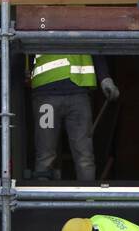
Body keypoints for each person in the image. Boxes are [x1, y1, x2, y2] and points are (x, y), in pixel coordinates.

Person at [28, 53, 119, 181]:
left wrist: (105, 78)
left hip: (74, 94)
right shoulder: (38, 31)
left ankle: (87, 199)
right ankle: (43, 200)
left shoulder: (86, 31)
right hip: (48, 94)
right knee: (47, 156)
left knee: (83, 156)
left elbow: (94, 45)